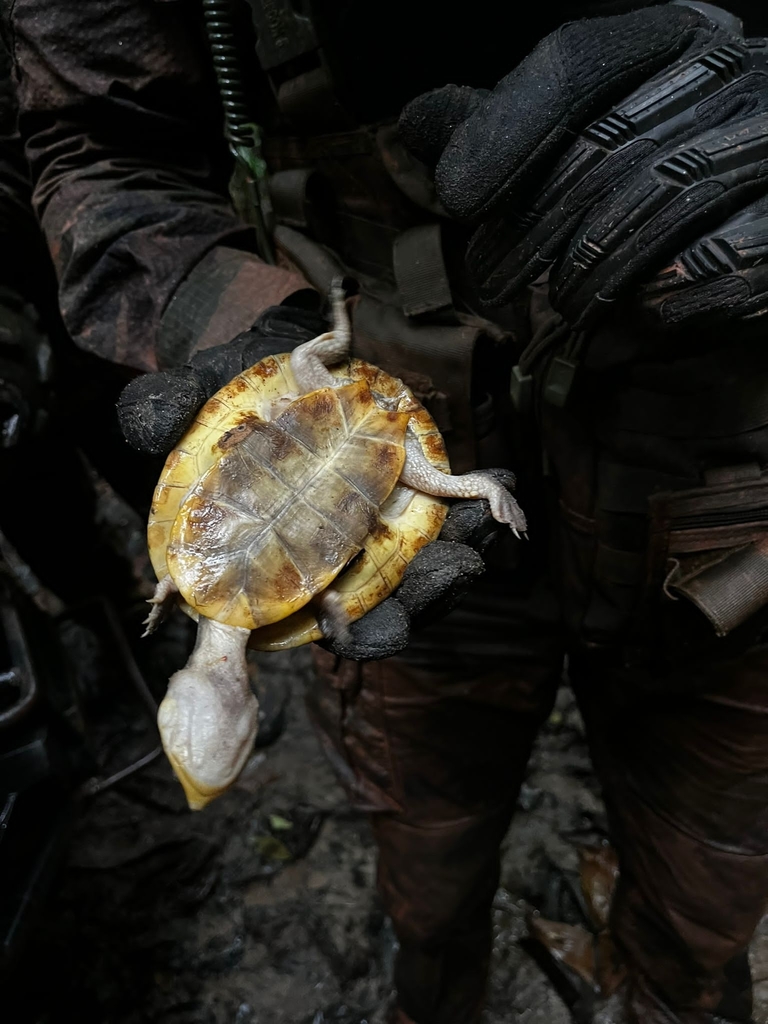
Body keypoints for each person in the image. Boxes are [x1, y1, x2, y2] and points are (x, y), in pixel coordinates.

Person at [8, 1, 768, 1021]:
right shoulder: (225, 577)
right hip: (383, 386)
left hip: (731, 462)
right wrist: (230, 315)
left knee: (707, 892)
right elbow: (99, 145)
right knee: (426, 845)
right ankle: (434, 986)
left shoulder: (184, 570)